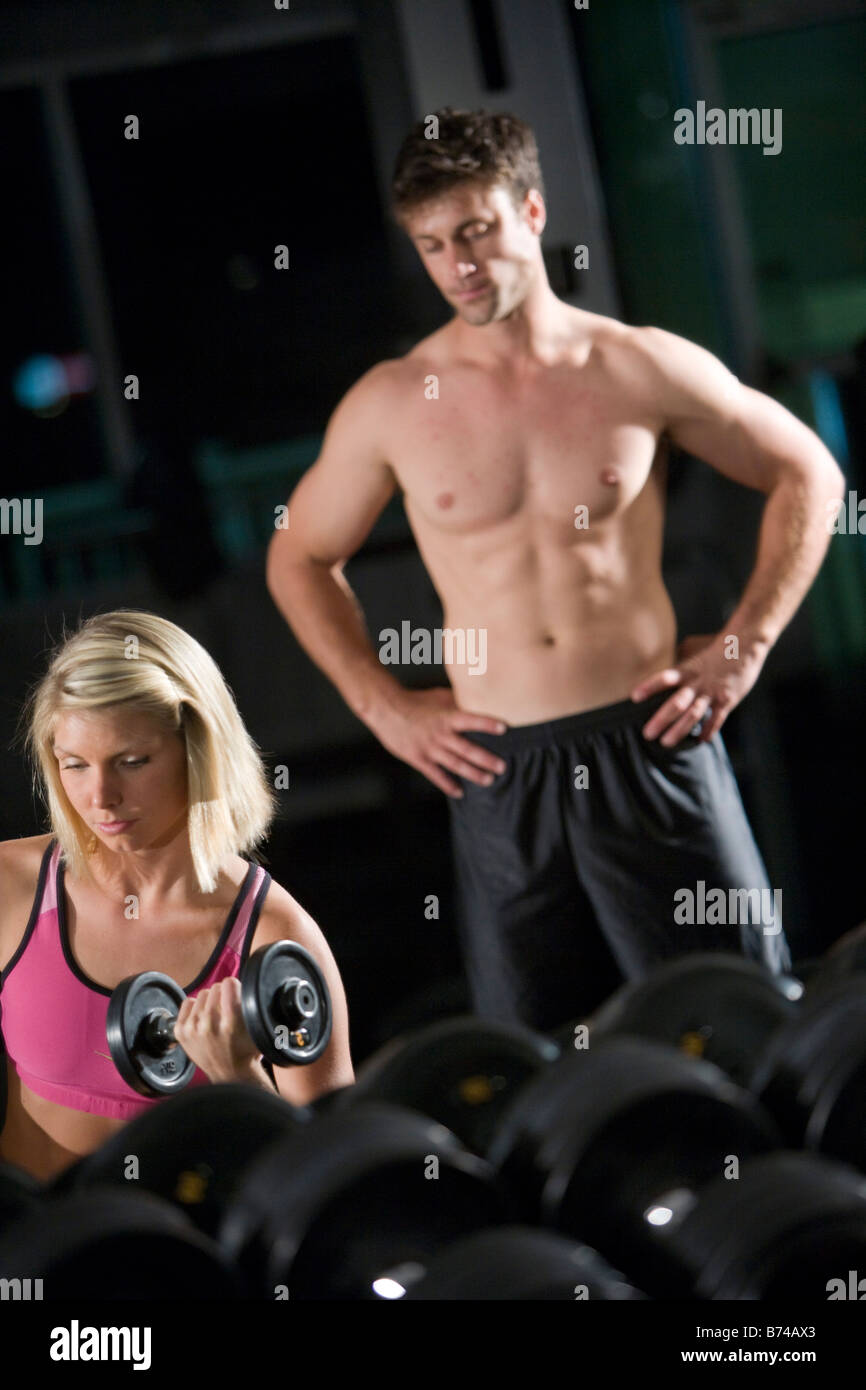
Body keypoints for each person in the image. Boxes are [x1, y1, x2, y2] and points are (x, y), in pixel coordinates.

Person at [266, 108, 845, 1032]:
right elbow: (298, 554)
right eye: (432, 244)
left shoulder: (635, 364)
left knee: (742, 1024)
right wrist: (381, 704)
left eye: (477, 230)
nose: (459, 263)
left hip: (651, 739)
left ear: (532, 213)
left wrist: (747, 643)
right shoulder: (392, 404)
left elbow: (809, 471)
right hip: (501, 768)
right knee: (542, 1056)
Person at [0, 610, 354, 1181]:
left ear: (199, 750)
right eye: (75, 765)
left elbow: (333, 1176)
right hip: (42, 1252)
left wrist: (239, 1076)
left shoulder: (276, 938)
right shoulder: (11, 885)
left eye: (132, 762)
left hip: (187, 1259)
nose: (101, 797)